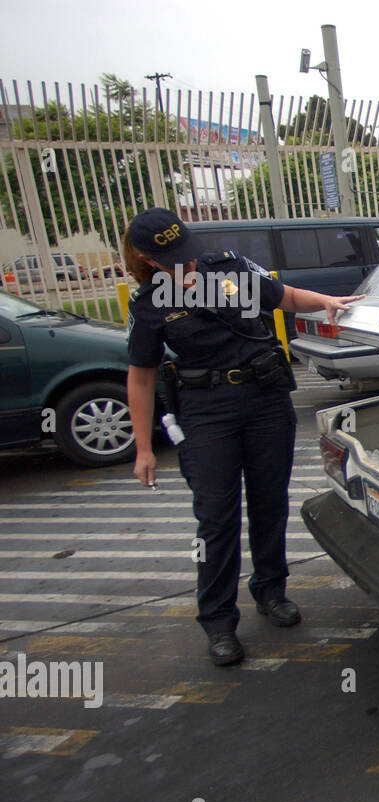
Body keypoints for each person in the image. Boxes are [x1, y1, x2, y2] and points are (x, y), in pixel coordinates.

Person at [123, 208, 361, 664]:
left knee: (269, 503)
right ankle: (217, 620)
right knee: (216, 517)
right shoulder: (149, 303)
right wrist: (142, 448)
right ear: (146, 258)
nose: (185, 264)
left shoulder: (228, 266)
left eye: (186, 253)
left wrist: (324, 301)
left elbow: (286, 297)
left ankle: (271, 591)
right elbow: (141, 377)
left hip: (265, 399)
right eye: (171, 259)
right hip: (206, 411)